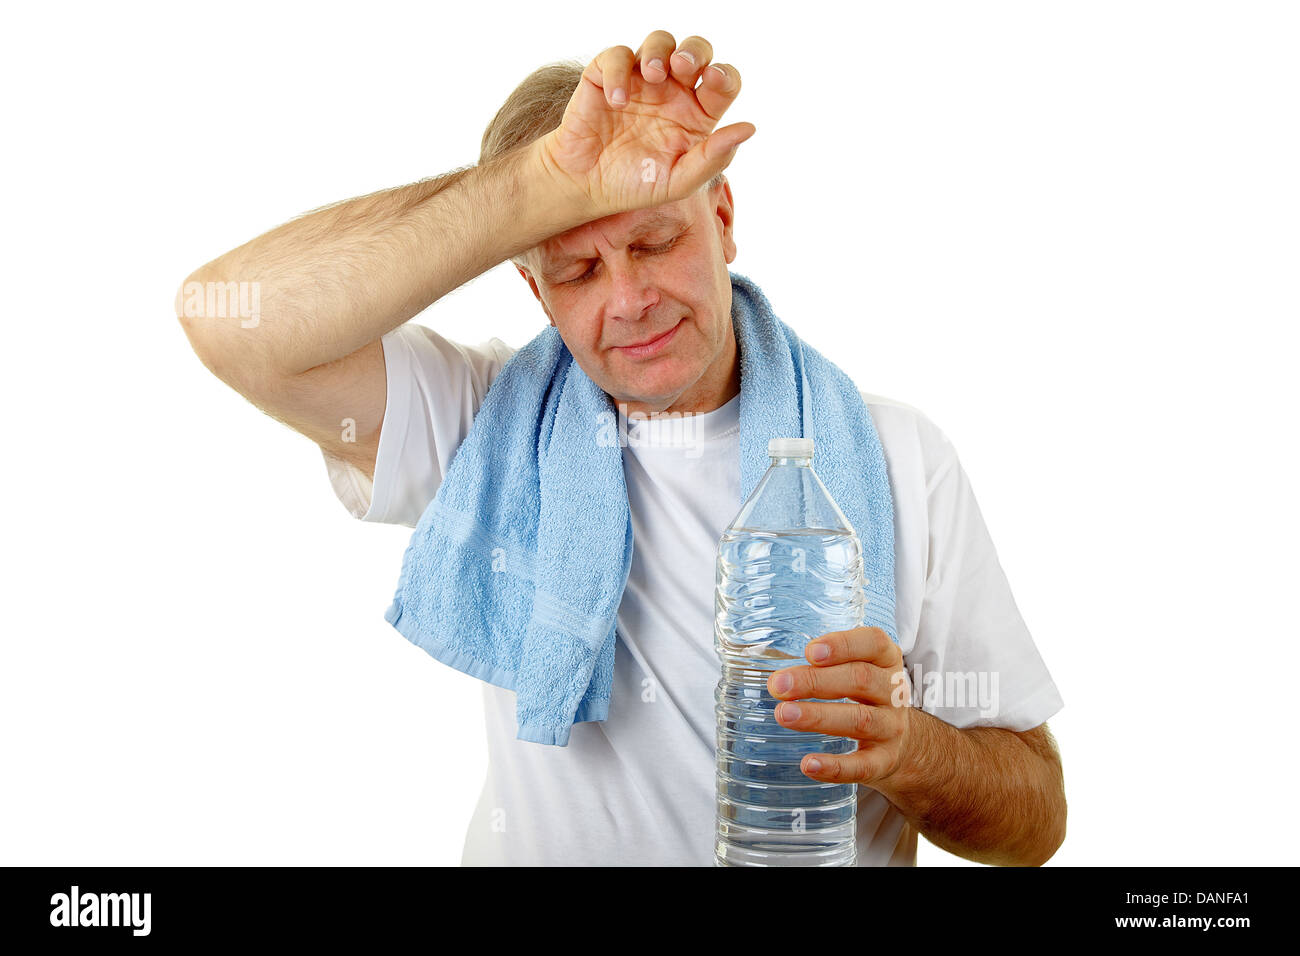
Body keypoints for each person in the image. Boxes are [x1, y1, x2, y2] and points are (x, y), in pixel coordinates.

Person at [177, 30, 1066, 866]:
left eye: (654, 238)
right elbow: (231, 321)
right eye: (577, 269)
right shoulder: (482, 426)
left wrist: (907, 748)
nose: (630, 298)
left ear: (721, 216)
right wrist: (535, 189)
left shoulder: (897, 455)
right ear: (534, 291)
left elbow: (1035, 821)